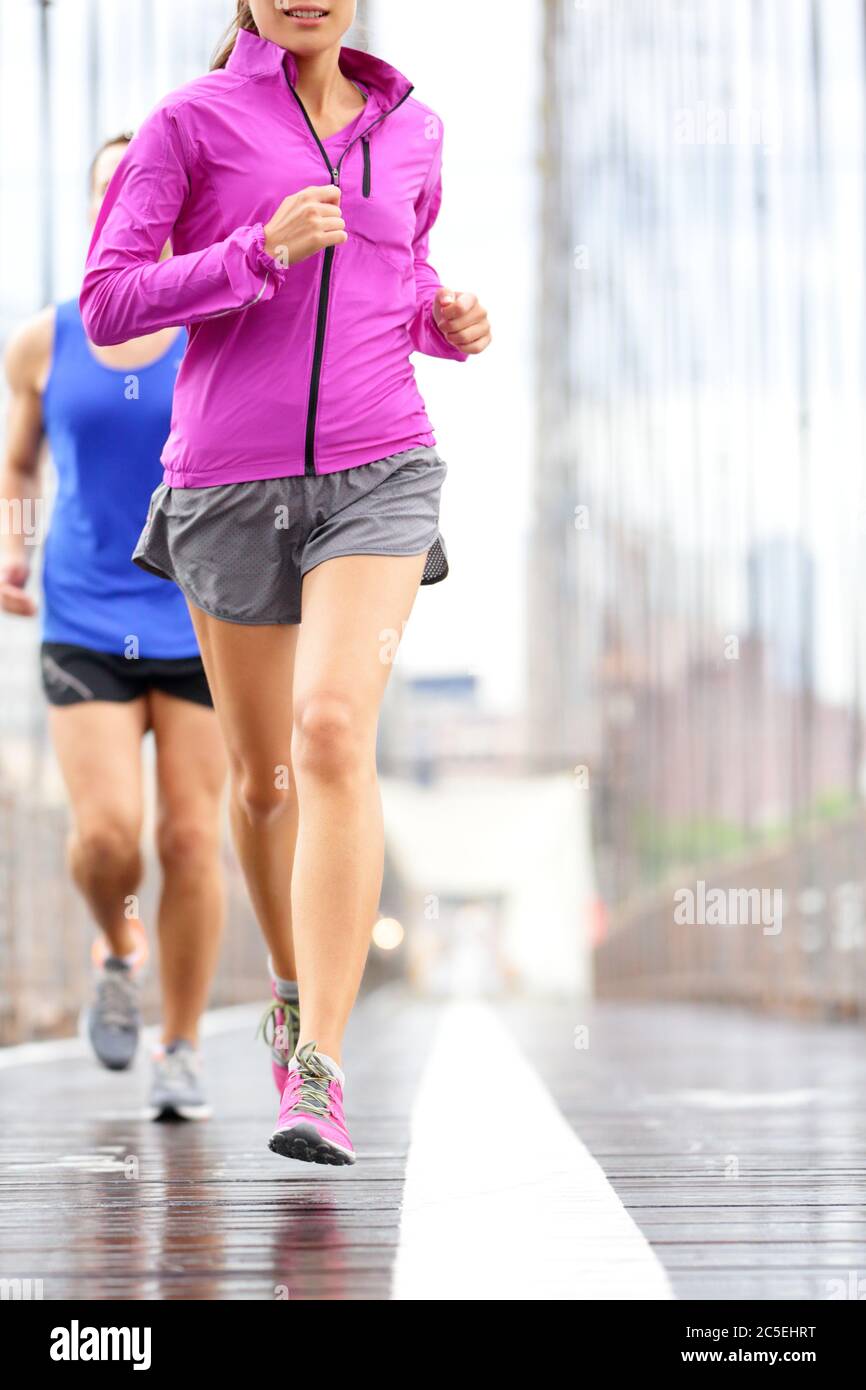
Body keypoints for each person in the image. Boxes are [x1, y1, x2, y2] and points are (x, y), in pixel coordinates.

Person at [80, 0, 492, 1165]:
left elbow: (394, 286)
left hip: (381, 470)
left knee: (326, 733)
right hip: (227, 481)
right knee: (262, 788)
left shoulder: (413, 133)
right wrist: (252, 251)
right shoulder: (190, 123)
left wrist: (445, 322)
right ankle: (285, 990)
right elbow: (110, 298)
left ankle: (316, 1064)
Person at [1, 134, 228, 1120]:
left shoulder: (221, 325)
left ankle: (179, 1045)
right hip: (86, 611)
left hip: (203, 611)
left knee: (188, 837)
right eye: (114, 190)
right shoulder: (43, 340)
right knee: (106, 837)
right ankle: (119, 948)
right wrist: (12, 542)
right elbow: (20, 465)